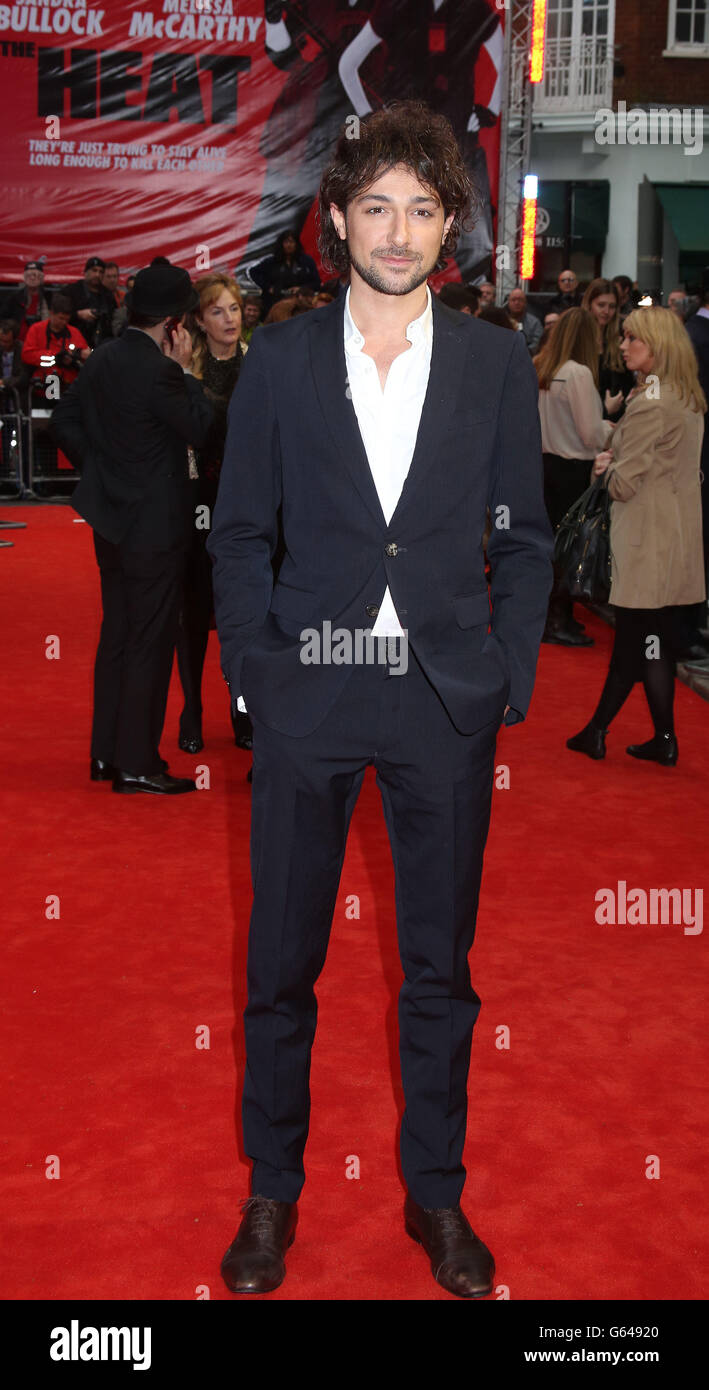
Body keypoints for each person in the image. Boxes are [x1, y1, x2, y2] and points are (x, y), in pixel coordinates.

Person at [208, 100, 553, 1299]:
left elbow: (524, 539)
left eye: (420, 208)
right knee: (279, 965)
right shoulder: (283, 361)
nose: (397, 231)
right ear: (336, 221)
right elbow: (240, 535)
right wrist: (257, 674)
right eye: (375, 206)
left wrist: (506, 668)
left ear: (450, 225)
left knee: (438, 970)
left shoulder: (497, 363)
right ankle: (272, 1191)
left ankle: (438, 1195)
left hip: (444, 702)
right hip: (309, 692)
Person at [50, 259, 213, 794]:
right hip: (154, 526)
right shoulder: (163, 371)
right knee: (148, 640)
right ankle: (138, 764)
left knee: (118, 636)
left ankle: (106, 754)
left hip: (113, 522)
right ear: (173, 323)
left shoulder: (102, 358)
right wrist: (188, 371)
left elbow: (62, 420)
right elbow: (200, 427)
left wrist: (103, 470)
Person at [567, 308, 706, 765]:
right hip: (674, 536)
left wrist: (606, 469)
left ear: (657, 346)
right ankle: (661, 738)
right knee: (653, 639)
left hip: (646, 537)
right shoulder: (685, 396)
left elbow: (626, 483)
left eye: (632, 339)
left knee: (633, 639)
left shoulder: (651, 401)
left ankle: (598, 730)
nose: (623, 345)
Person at [176, 273, 250, 754]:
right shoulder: (185, 368)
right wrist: (182, 376)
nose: (229, 319)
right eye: (218, 311)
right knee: (194, 612)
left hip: (248, 506)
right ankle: (191, 711)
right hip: (196, 502)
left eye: (235, 309)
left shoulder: (259, 362)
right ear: (200, 320)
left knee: (243, 616)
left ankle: (242, 711)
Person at [535, 307, 611, 645]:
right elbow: (590, 433)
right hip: (571, 471)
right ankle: (557, 619)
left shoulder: (542, 367)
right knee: (569, 547)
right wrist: (614, 428)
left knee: (552, 545)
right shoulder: (577, 373)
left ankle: (554, 616)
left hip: (544, 465)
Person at [581, 279, 634, 420]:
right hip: (586, 419)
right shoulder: (578, 338)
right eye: (601, 305)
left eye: (612, 306)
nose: (606, 311)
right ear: (589, 304)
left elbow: (628, 381)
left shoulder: (622, 336)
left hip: (617, 419)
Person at [21, 293, 90, 389]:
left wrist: (79, 355)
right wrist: (55, 356)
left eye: (67, 319)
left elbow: (85, 355)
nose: (64, 322)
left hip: (68, 385)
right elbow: (27, 355)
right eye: (61, 318)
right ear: (51, 313)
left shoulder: (74, 332)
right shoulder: (36, 329)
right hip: (44, 384)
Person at [249, 230, 320, 317]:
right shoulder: (272, 261)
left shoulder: (306, 261)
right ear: (281, 244)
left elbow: (317, 282)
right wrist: (267, 287)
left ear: (296, 244)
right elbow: (253, 272)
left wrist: (301, 288)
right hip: (274, 302)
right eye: (286, 242)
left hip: (299, 306)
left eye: (292, 242)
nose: (289, 245)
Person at [65, 256, 115, 348]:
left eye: (101, 272)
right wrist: (78, 314)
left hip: (101, 343)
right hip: (73, 341)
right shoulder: (71, 291)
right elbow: (59, 315)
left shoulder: (108, 295)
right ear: (86, 272)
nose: (97, 275)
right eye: (94, 270)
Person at [6, 261, 50, 341]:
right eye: (29, 275)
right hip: (18, 341)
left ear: (41, 277)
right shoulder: (14, 298)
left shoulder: (49, 297)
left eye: (35, 275)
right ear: (24, 278)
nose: (32, 278)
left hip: (43, 339)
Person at [505, 287, 542, 352]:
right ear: (508, 303)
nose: (517, 303)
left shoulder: (534, 322)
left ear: (525, 303)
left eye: (520, 300)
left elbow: (538, 343)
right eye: (513, 300)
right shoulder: (502, 321)